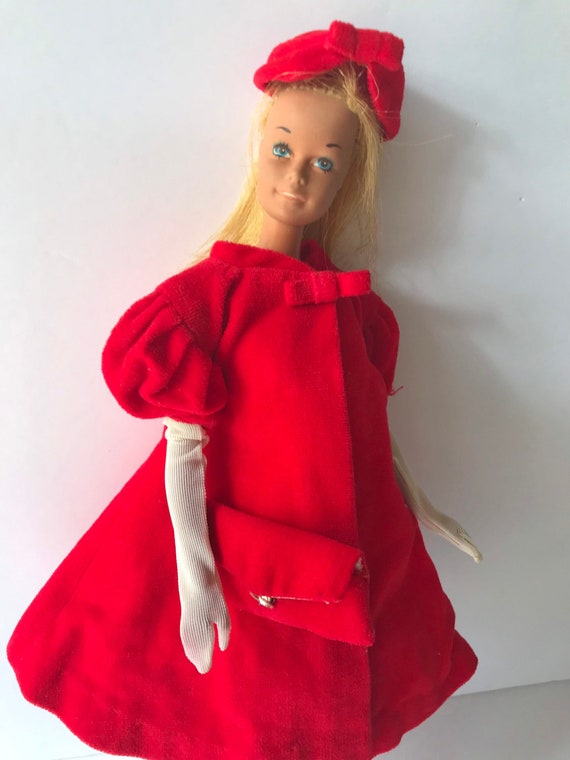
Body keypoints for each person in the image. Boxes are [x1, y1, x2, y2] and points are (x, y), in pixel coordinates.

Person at [7, 21, 481, 760]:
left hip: (343, 543)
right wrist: (195, 573)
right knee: (235, 697)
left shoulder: (359, 309)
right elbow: (183, 446)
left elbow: (366, 432)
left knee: (333, 683)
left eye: (325, 163)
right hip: (240, 546)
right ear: (258, 148)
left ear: (348, 178)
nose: (298, 178)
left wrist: (418, 502)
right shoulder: (210, 299)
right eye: (284, 150)